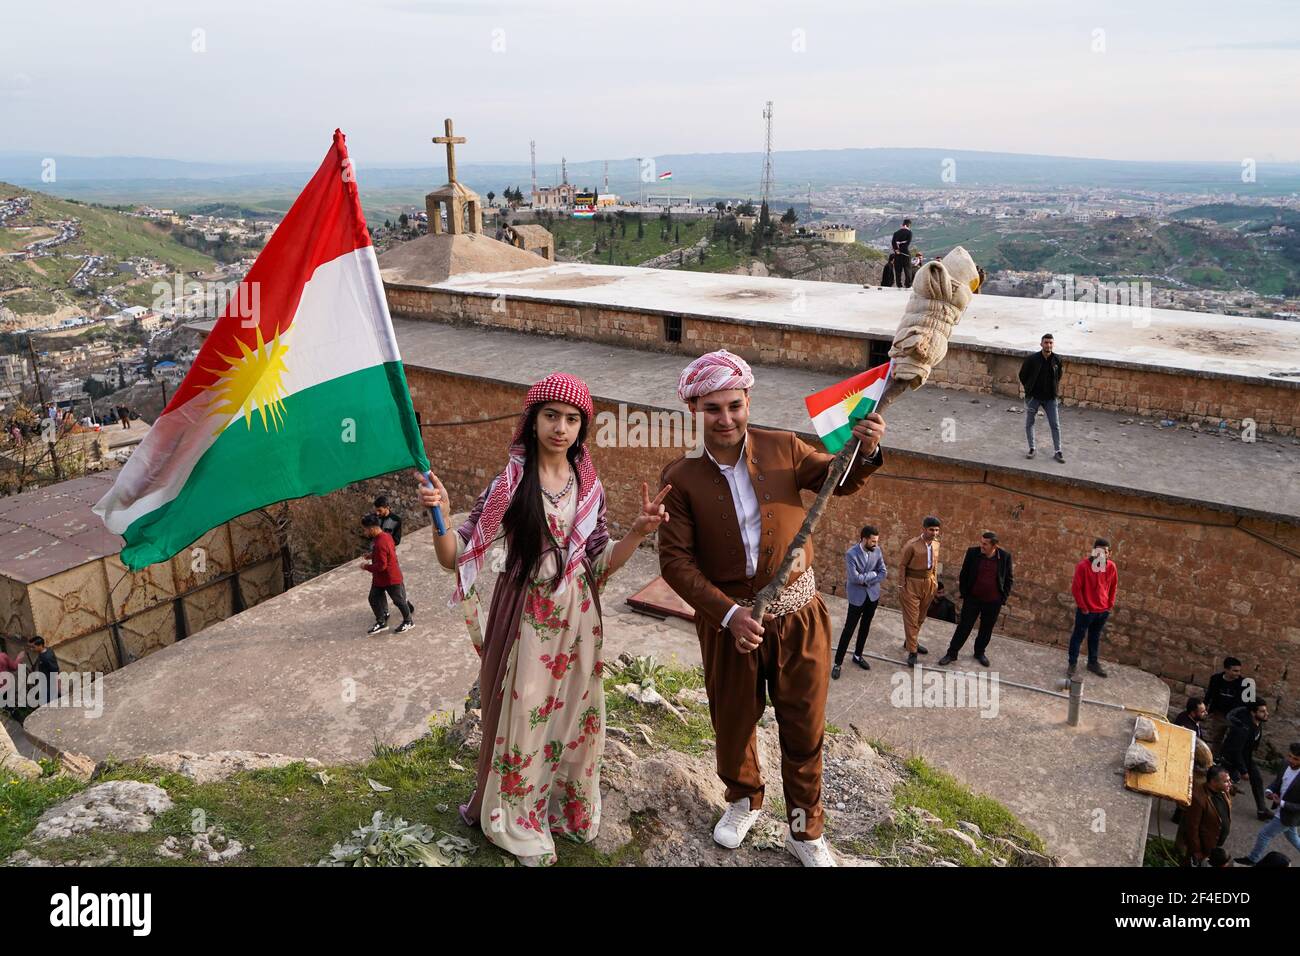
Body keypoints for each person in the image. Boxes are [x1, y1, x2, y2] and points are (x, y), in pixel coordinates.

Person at [419, 373, 667, 867]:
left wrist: (638, 534)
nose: (561, 427)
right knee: (524, 715)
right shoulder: (510, 485)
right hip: (527, 619)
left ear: (582, 428)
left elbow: (600, 562)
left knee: (574, 715)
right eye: (550, 415)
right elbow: (456, 557)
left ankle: (563, 808)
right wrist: (440, 516)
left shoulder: (589, 487)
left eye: (572, 418)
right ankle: (515, 818)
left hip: (579, 618)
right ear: (531, 422)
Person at [657, 349, 885, 867]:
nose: (726, 418)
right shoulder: (682, 476)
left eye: (734, 405)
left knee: (804, 728)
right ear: (694, 409)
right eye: (712, 408)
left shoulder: (784, 447)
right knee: (734, 722)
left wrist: (865, 451)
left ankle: (804, 832)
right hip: (729, 625)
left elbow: (838, 477)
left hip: (800, 616)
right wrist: (729, 614)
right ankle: (743, 799)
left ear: (748, 400)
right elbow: (675, 563)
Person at [938, 530, 1013, 668]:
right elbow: (964, 573)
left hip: (993, 601)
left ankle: (979, 653)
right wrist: (965, 594)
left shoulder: (1005, 557)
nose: (981, 546)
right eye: (981, 542)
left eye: (985, 544)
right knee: (964, 626)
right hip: (973, 599)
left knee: (986, 629)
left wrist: (1002, 598)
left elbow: (1008, 579)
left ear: (994, 546)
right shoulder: (973, 553)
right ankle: (952, 653)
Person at [833, 525, 886, 679]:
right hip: (856, 598)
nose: (875, 544)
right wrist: (873, 575)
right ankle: (838, 663)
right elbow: (854, 578)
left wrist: (867, 578)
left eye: (877, 541)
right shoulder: (851, 554)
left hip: (872, 596)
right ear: (864, 539)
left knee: (865, 627)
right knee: (848, 629)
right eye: (873, 541)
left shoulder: (877, 550)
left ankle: (857, 655)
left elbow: (883, 572)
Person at [1236, 742, 1300, 865]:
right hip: (1284, 813)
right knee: (1293, 837)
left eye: (1296, 759)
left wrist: (1281, 803)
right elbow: (1278, 782)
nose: (1291, 760)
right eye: (1290, 756)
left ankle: (1252, 859)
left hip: (1288, 815)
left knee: (1264, 835)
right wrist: (1269, 791)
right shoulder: (1285, 764)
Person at [1067, 537, 1117, 677]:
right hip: (1086, 611)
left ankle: (1092, 663)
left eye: (1105, 552)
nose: (1101, 554)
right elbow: (1076, 589)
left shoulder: (1111, 567)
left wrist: (1109, 605)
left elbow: (1113, 586)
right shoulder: (1083, 566)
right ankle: (1072, 663)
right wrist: (1083, 607)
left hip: (1102, 611)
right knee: (1078, 636)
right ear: (1094, 552)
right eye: (1098, 551)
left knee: (1095, 637)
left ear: (1109, 553)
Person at [897, 516, 941, 668]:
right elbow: (902, 565)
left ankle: (910, 641)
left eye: (936, 530)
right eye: (931, 529)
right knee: (912, 618)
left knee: (921, 617)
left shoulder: (936, 545)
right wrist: (902, 586)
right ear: (924, 529)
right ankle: (913, 652)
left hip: (928, 584)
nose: (934, 533)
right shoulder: (912, 545)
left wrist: (934, 582)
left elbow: (935, 564)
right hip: (911, 584)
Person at [361, 514, 413, 634]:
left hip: (390, 578)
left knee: (399, 600)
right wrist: (371, 555)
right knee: (373, 598)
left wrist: (366, 567)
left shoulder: (380, 543)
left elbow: (382, 566)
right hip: (380, 579)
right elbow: (385, 553)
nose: (365, 532)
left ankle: (408, 621)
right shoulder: (386, 536)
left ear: (372, 528)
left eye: (366, 529)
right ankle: (381, 622)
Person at [1220, 701, 1271, 820]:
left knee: (1257, 779)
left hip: (1246, 757)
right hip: (1232, 759)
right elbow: (1236, 751)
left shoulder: (1258, 724)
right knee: (1223, 785)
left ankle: (1262, 810)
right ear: (1253, 713)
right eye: (1262, 711)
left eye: (1266, 711)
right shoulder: (1243, 728)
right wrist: (1243, 770)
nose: (1266, 714)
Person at [1019, 333, 1064, 463]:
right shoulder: (1032, 359)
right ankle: (1032, 448)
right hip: (1034, 398)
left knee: (1055, 424)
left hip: (1050, 398)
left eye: (1050, 343)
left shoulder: (1057, 360)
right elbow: (1022, 375)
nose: (1048, 345)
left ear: (1053, 344)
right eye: (1046, 342)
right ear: (1041, 344)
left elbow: (1058, 376)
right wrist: (1029, 390)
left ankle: (1058, 451)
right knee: (1030, 423)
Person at [1176, 765, 1232, 866]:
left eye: (1229, 780)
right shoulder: (1198, 798)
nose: (1229, 784)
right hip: (1202, 847)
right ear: (1213, 782)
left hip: (1214, 844)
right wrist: (1196, 851)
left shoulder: (1224, 791)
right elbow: (1192, 827)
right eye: (1226, 781)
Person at [1205, 656, 1247, 746]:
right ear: (1226, 670)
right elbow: (1209, 694)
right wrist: (1206, 708)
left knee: (1232, 740)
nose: (1238, 674)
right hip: (1219, 714)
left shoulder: (1242, 683)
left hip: (1234, 716)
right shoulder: (1216, 679)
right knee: (1216, 738)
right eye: (1235, 671)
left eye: (1239, 671)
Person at [28, 636, 59, 706]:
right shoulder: (43, 652)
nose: (31, 649)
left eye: (33, 647)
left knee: (49, 703)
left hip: (50, 684)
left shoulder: (48, 657)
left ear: (40, 645)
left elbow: (55, 670)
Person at [890, 218, 915, 288]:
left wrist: (897, 250)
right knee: (908, 269)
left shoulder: (896, 233)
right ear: (909, 225)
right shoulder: (909, 232)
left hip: (897, 254)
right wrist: (902, 250)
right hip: (905, 253)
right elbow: (908, 243)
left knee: (898, 270)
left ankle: (899, 284)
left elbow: (893, 242)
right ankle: (907, 284)